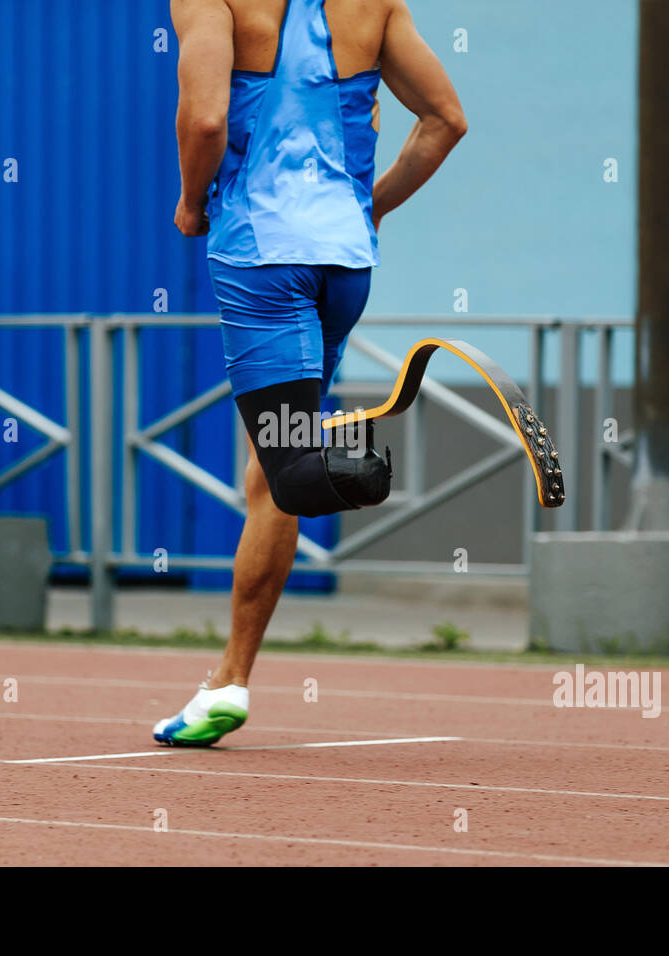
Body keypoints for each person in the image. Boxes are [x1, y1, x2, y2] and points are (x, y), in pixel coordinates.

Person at [155, 0, 466, 745]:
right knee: (267, 482)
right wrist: (371, 207)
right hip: (345, 261)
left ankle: (358, 459)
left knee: (291, 472)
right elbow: (446, 121)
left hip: (261, 255)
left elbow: (203, 121)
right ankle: (228, 682)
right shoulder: (376, 4)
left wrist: (193, 202)